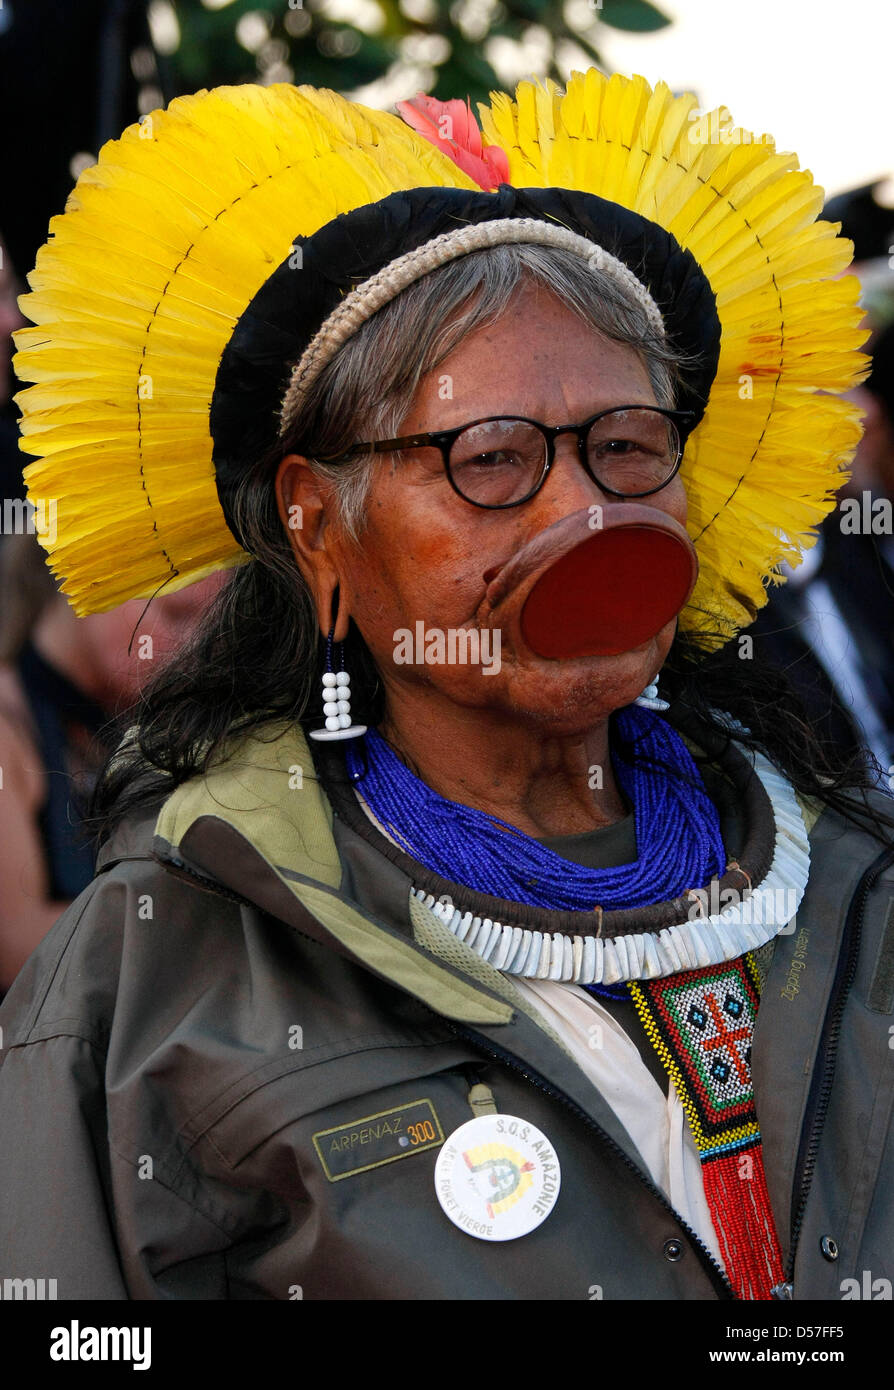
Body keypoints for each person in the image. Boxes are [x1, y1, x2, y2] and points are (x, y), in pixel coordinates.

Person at [0, 70, 892, 1302]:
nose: (591, 513)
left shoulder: (849, 875)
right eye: (492, 459)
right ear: (318, 527)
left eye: (630, 446)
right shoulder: (160, 974)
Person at [0, 534, 226, 990]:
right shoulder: (7, 728)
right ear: (91, 579)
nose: (194, 654)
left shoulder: (124, 727)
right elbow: (14, 948)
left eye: (210, 631)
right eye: (178, 615)